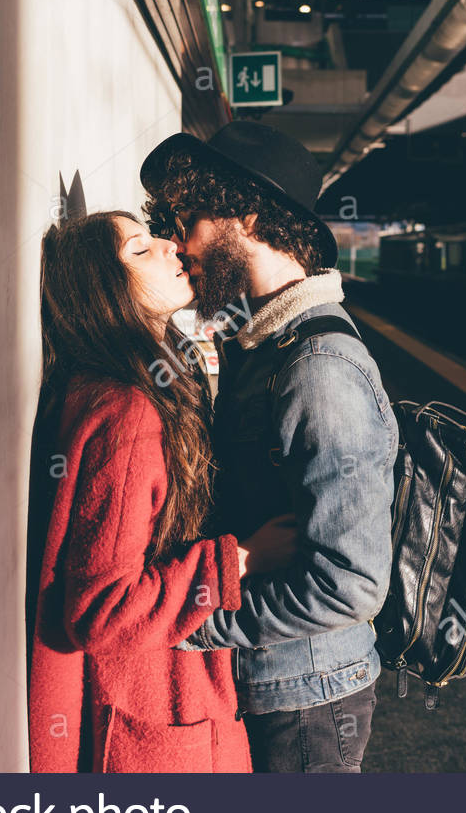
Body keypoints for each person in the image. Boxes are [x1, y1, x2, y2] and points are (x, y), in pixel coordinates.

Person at [140, 121, 399, 773]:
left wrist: (199, 622)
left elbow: (351, 584)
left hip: (307, 705)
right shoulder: (266, 344)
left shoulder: (319, 370)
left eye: (189, 218)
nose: (178, 243)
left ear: (243, 216)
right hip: (279, 688)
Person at [26, 208, 296, 773]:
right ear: (106, 288)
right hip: (153, 726)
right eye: (140, 250)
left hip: (162, 717)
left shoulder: (125, 386)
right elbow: (103, 608)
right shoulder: (129, 413)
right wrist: (241, 559)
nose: (171, 247)